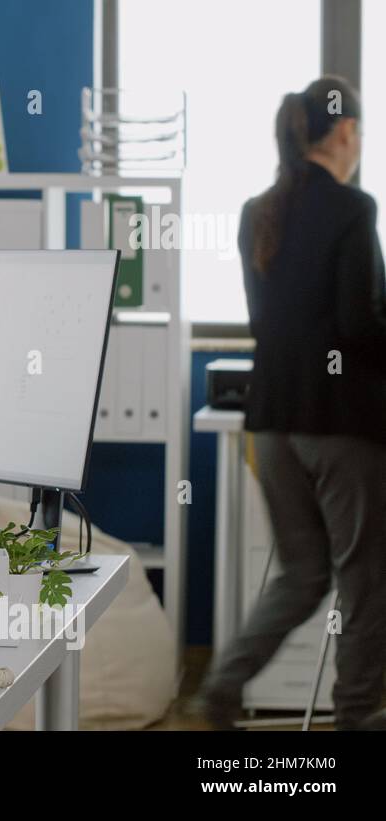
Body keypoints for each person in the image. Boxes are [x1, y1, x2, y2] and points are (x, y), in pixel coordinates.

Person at [199, 77, 386, 730]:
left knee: (303, 574)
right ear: (345, 133)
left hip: (271, 424)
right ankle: (357, 716)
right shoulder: (354, 210)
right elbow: (359, 327)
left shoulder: (259, 209)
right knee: (365, 583)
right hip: (338, 427)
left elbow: (266, 321)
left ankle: (221, 684)